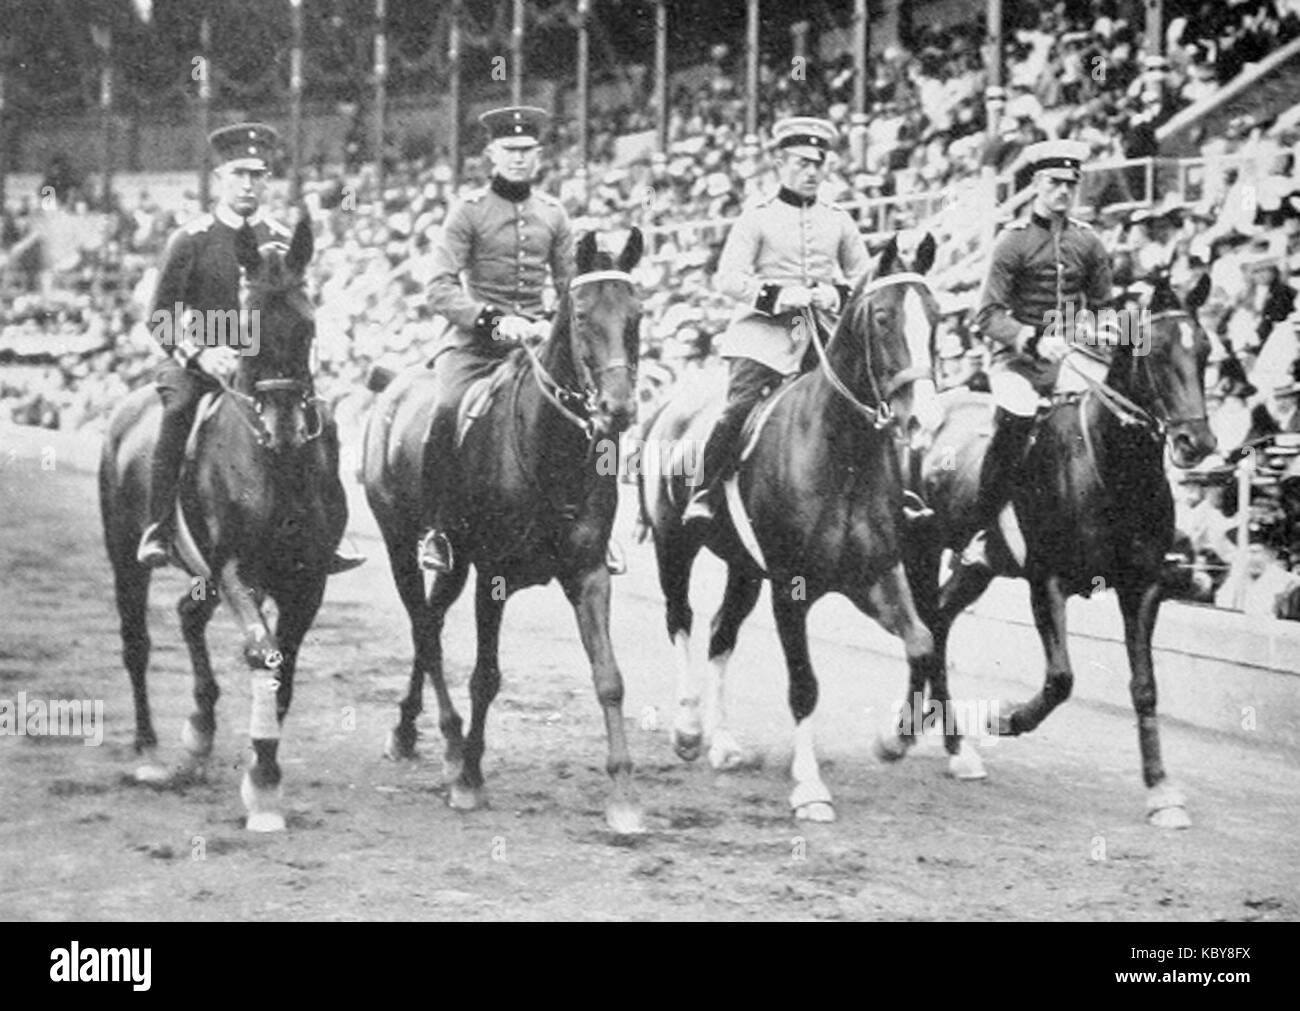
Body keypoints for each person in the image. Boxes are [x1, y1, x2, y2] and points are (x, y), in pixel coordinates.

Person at [137, 123, 364, 573]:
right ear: (221, 176)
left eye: (257, 175)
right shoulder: (192, 238)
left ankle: (328, 533)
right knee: (179, 408)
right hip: (200, 362)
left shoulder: (282, 239)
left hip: (265, 370)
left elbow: (297, 310)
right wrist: (200, 353)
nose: (248, 184)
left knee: (323, 420)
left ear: (266, 180)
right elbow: (159, 315)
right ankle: (159, 525)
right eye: (238, 174)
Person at [419, 107, 625, 575]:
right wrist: (491, 320)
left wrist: (548, 323)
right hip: (474, 346)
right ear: (491, 153)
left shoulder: (553, 214)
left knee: (599, 420)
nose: (518, 158)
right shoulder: (467, 212)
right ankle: (438, 529)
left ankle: (598, 532)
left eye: (526, 151)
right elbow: (439, 287)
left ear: (538, 156)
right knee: (447, 410)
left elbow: (571, 287)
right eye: (509, 150)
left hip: (537, 345)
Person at [681, 116, 870, 526]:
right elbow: (728, 278)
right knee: (739, 410)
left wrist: (834, 293)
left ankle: (890, 496)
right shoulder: (757, 217)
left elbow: (864, 277)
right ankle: (704, 491)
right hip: (763, 338)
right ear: (780, 164)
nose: (811, 172)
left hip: (823, 335)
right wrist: (778, 296)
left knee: (866, 402)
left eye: (818, 164)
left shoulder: (839, 218)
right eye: (802, 163)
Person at [969, 139, 1114, 568]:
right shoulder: (1011, 242)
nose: (1063, 192)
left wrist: (1104, 330)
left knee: (1112, 418)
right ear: (1035, 184)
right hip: (1019, 362)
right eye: (1054, 183)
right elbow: (987, 315)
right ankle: (983, 526)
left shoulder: (1088, 241)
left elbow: (1106, 306)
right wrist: (1031, 339)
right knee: (1015, 418)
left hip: (1073, 357)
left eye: (1071, 184)